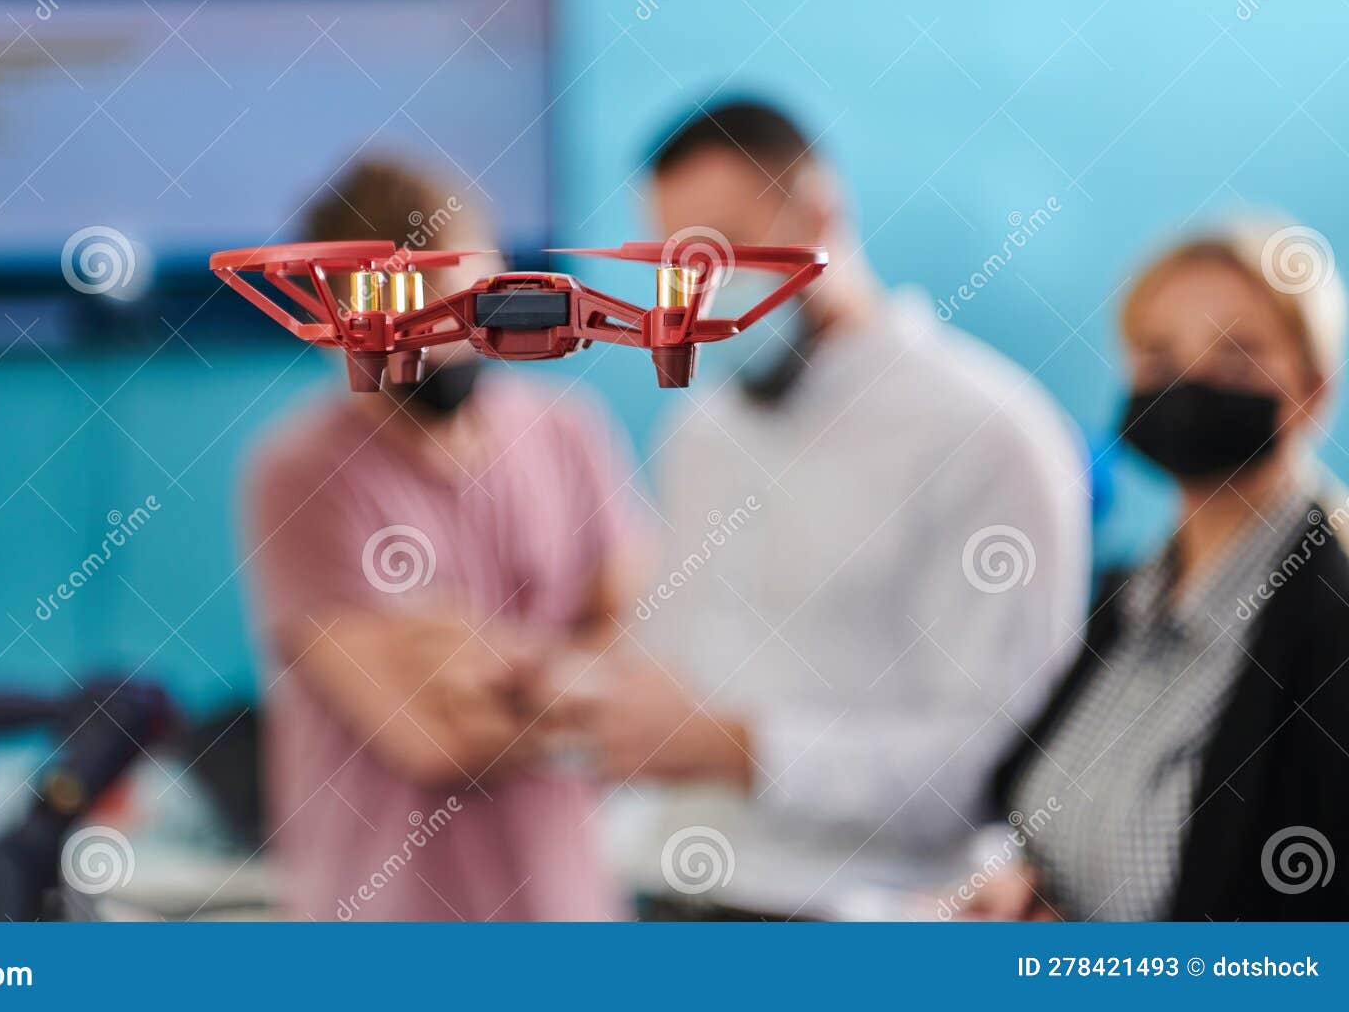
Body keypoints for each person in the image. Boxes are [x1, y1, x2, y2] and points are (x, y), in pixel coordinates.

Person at [551, 99, 1091, 919]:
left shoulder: (988, 436)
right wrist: (575, 686)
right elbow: (681, 654)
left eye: (722, 250)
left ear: (820, 212)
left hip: (859, 917)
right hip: (665, 888)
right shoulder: (701, 430)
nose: (699, 293)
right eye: (674, 267)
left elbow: (997, 758)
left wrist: (739, 750)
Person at [242, 158, 645, 921]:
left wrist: (485, 665)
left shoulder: (572, 434)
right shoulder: (299, 475)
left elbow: (645, 659)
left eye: (469, 302)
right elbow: (428, 739)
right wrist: (570, 680)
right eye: (416, 317)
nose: (449, 340)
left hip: (568, 910)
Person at [977, 219, 1349, 920]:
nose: (1190, 382)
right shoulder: (1120, 597)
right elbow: (1026, 814)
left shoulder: (1332, 626)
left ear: (1311, 390)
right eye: (1157, 357)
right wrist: (1022, 889)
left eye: (1238, 358)